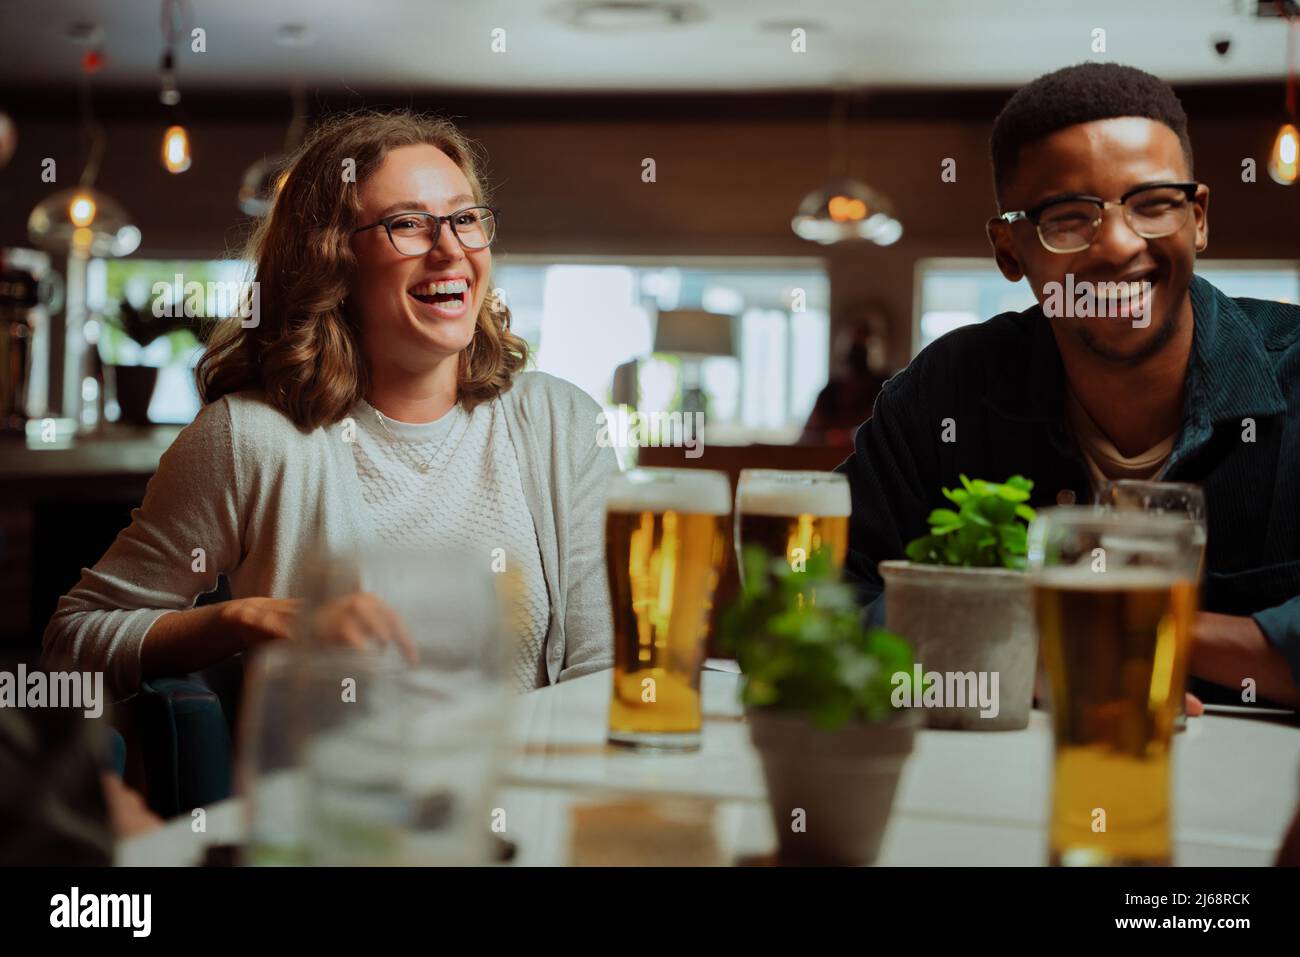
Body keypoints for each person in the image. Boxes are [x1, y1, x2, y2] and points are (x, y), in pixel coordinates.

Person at [44, 111, 618, 698]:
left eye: (466, 218)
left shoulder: (562, 424)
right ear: (332, 259)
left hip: (529, 787)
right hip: (336, 790)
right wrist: (243, 620)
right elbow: (74, 642)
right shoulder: (252, 438)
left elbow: (604, 673)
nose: (450, 249)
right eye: (409, 224)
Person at [836, 63, 1300, 708]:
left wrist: (1111, 627)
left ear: (1196, 218)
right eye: (1069, 217)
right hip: (986, 791)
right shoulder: (943, 395)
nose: (1116, 245)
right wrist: (1000, 665)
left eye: (1153, 205)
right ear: (1008, 249)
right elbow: (823, 614)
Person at [800, 314, 892, 445]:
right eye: (854, 343)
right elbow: (810, 432)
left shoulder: (885, 389)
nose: (858, 348)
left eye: (863, 344)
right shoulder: (830, 390)